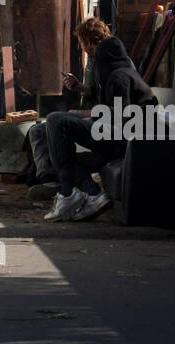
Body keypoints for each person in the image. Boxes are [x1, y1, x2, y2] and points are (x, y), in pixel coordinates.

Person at [43, 17, 157, 222]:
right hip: (117, 135)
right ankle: (92, 195)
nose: (89, 54)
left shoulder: (119, 76)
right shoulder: (114, 70)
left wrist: (86, 115)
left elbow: (118, 113)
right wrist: (82, 90)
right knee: (63, 158)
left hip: (123, 140)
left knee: (56, 121)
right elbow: (104, 98)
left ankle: (68, 194)